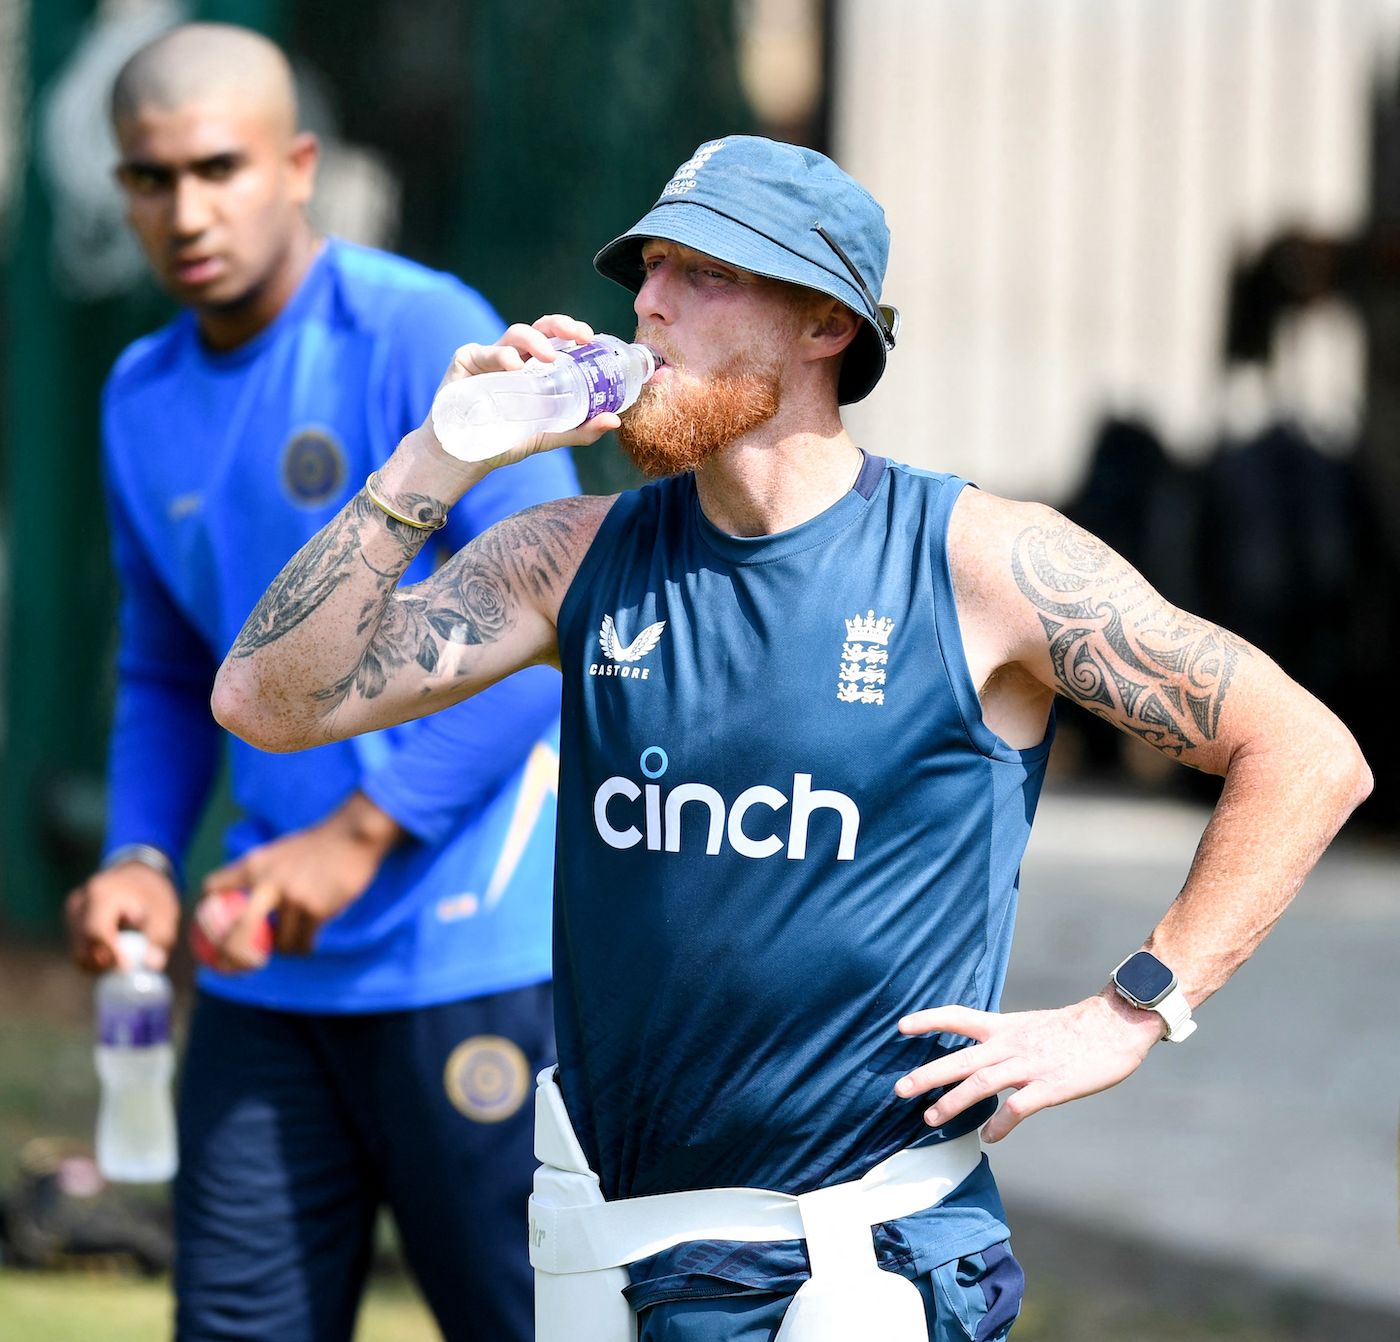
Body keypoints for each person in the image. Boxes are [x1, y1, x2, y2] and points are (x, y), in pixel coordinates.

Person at [209, 135, 1372, 1342]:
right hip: (599, 1261)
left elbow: (1303, 752)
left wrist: (1129, 1010)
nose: (648, 304)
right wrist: (436, 454)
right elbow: (268, 700)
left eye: (703, 274)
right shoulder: (574, 554)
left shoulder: (975, 560)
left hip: (851, 1268)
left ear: (824, 325)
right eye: (647, 270)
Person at [63, 23, 579, 1342]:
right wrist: (136, 855)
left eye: (219, 167)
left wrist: (361, 833)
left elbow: (554, 622)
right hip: (264, 976)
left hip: (468, 953)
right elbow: (168, 666)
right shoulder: (139, 392)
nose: (185, 209)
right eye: (150, 177)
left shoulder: (421, 331)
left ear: (298, 164)